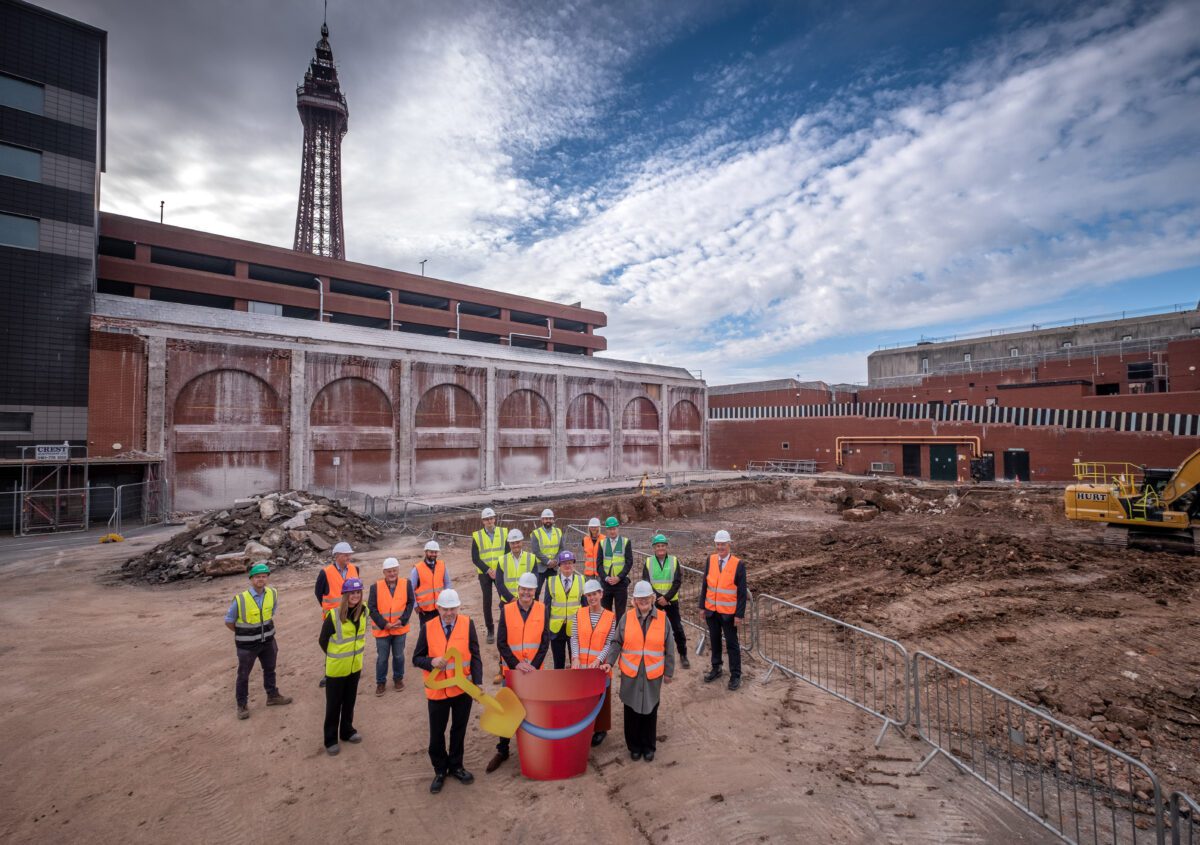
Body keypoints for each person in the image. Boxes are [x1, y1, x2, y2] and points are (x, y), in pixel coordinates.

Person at [412, 589, 482, 794]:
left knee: (458, 730)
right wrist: (431, 661)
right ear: (438, 608)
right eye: (445, 609)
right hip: (438, 692)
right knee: (437, 734)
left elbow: (475, 654)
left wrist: (477, 682)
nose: (449, 613)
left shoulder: (467, 624)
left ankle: (457, 766)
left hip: (462, 689)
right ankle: (440, 770)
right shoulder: (428, 627)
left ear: (458, 607)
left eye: (453, 609)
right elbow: (416, 658)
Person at [599, 580, 674, 762]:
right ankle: (634, 746)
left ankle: (648, 746)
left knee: (650, 710)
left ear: (652, 598)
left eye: (646, 598)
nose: (643, 601)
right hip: (631, 674)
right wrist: (610, 662)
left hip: (651, 675)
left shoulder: (663, 619)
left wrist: (669, 672)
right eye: (640, 598)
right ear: (634, 600)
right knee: (631, 710)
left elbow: (670, 647)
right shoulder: (627, 618)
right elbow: (616, 642)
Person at [487, 572, 549, 773]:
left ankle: (534, 746)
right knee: (507, 709)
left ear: (535, 591)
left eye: (529, 590)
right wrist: (516, 665)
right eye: (523, 589)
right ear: (518, 590)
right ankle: (502, 750)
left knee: (533, 709)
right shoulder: (507, 610)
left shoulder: (542, 609)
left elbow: (544, 642)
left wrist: (534, 665)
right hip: (512, 672)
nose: (526, 593)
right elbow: (501, 643)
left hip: (533, 671)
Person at [224, 562, 292, 719]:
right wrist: (244, 632)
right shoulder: (241, 599)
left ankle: (272, 696)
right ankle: (242, 704)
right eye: (257, 577)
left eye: (264, 576)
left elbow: (271, 613)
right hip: (247, 645)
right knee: (243, 675)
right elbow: (229, 621)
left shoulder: (273, 593)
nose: (261, 579)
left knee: (270, 669)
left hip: (268, 641)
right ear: (251, 579)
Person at [318, 577, 368, 755]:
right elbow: (323, 640)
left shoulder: (364, 611)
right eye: (351, 593)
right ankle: (330, 739)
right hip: (337, 669)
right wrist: (335, 656)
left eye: (358, 592)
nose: (355, 596)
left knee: (349, 701)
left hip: (355, 667)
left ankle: (347, 731)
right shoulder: (333, 616)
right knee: (333, 705)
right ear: (345, 595)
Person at [698, 529, 749, 691]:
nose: (720, 547)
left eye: (723, 544)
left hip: (728, 613)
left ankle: (736, 675)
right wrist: (702, 606)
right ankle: (716, 667)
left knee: (732, 644)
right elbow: (705, 585)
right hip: (711, 611)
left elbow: (742, 593)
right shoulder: (711, 560)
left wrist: (739, 615)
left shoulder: (738, 564)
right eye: (718, 544)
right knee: (714, 640)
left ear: (729, 545)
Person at [572, 579, 616, 746]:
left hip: (599, 668)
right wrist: (575, 657)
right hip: (581, 666)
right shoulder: (579, 614)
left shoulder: (610, 617)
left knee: (600, 699)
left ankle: (600, 730)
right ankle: (583, 727)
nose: (592, 598)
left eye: (594, 594)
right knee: (583, 700)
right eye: (589, 595)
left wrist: (598, 660)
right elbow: (574, 637)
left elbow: (609, 643)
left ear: (601, 594)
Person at [640, 534, 690, 670]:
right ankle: (652, 653)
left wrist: (666, 598)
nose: (660, 548)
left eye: (662, 546)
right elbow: (646, 582)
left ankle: (683, 654)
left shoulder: (674, 561)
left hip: (670, 601)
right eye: (658, 546)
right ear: (654, 548)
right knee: (652, 628)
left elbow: (677, 581)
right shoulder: (649, 562)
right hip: (654, 601)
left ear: (666, 547)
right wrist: (659, 597)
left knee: (677, 628)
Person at [314, 541, 359, 687]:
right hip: (333, 617)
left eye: (349, 555)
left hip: (351, 614)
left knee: (350, 643)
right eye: (345, 555)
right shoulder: (325, 573)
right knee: (332, 645)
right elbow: (318, 593)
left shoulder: (355, 569)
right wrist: (328, 609)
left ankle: (351, 667)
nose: (348, 557)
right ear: (337, 556)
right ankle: (330, 674)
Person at [493, 528, 536, 683]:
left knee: (526, 637)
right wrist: (512, 599)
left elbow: (535, 580)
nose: (515, 545)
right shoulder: (502, 560)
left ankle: (527, 665)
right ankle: (502, 670)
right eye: (512, 543)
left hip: (527, 604)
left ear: (522, 542)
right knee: (506, 637)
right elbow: (499, 583)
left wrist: (524, 599)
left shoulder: (531, 558)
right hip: (508, 604)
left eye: (517, 542)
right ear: (509, 544)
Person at [369, 557, 415, 695]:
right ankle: (380, 682)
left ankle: (398, 678)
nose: (392, 574)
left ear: (398, 570)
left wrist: (402, 620)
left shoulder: (406, 584)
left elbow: (410, 603)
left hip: (400, 628)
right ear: (384, 572)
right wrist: (385, 624)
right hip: (382, 631)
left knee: (399, 656)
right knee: (382, 658)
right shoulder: (375, 587)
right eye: (389, 571)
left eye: (394, 570)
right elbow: (371, 608)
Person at [541, 550, 585, 669]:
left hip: (575, 628)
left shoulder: (581, 580)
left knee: (575, 662)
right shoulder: (551, 581)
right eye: (564, 563)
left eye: (570, 562)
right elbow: (547, 606)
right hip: (556, 629)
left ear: (573, 564)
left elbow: (585, 606)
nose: (567, 565)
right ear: (559, 565)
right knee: (558, 664)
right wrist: (545, 627)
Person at [471, 507, 507, 645]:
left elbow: (507, 553)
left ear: (494, 519)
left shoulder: (504, 533)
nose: (489, 521)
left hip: (500, 572)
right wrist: (488, 570)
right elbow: (475, 558)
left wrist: (498, 570)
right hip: (485, 574)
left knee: (505, 599)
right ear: (483, 521)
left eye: (491, 518)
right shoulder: (477, 536)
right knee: (487, 602)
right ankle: (490, 630)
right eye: (487, 519)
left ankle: (505, 627)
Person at [598, 517, 633, 622]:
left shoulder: (625, 542)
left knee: (620, 613)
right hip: (606, 584)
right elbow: (599, 564)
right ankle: (607, 631)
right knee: (606, 613)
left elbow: (629, 562)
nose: (612, 531)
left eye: (614, 528)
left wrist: (619, 577)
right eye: (610, 529)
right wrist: (605, 578)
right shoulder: (602, 543)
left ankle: (619, 632)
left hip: (620, 583)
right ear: (606, 530)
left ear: (618, 528)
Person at [411, 540, 451, 625]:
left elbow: (448, 584)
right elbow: (411, 589)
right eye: (431, 552)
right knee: (426, 631)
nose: (433, 554)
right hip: (424, 610)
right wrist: (415, 605)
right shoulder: (417, 569)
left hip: (440, 607)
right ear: (426, 552)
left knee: (440, 630)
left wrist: (447, 600)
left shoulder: (442, 565)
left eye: (435, 552)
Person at [530, 508, 563, 590]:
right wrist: (548, 561)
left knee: (552, 591)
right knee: (536, 591)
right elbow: (536, 551)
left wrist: (555, 560)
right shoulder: (536, 533)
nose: (548, 520)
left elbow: (561, 548)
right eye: (546, 519)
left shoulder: (558, 531)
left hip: (553, 567)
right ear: (542, 520)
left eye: (550, 519)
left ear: (553, 520)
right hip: (540, 567)